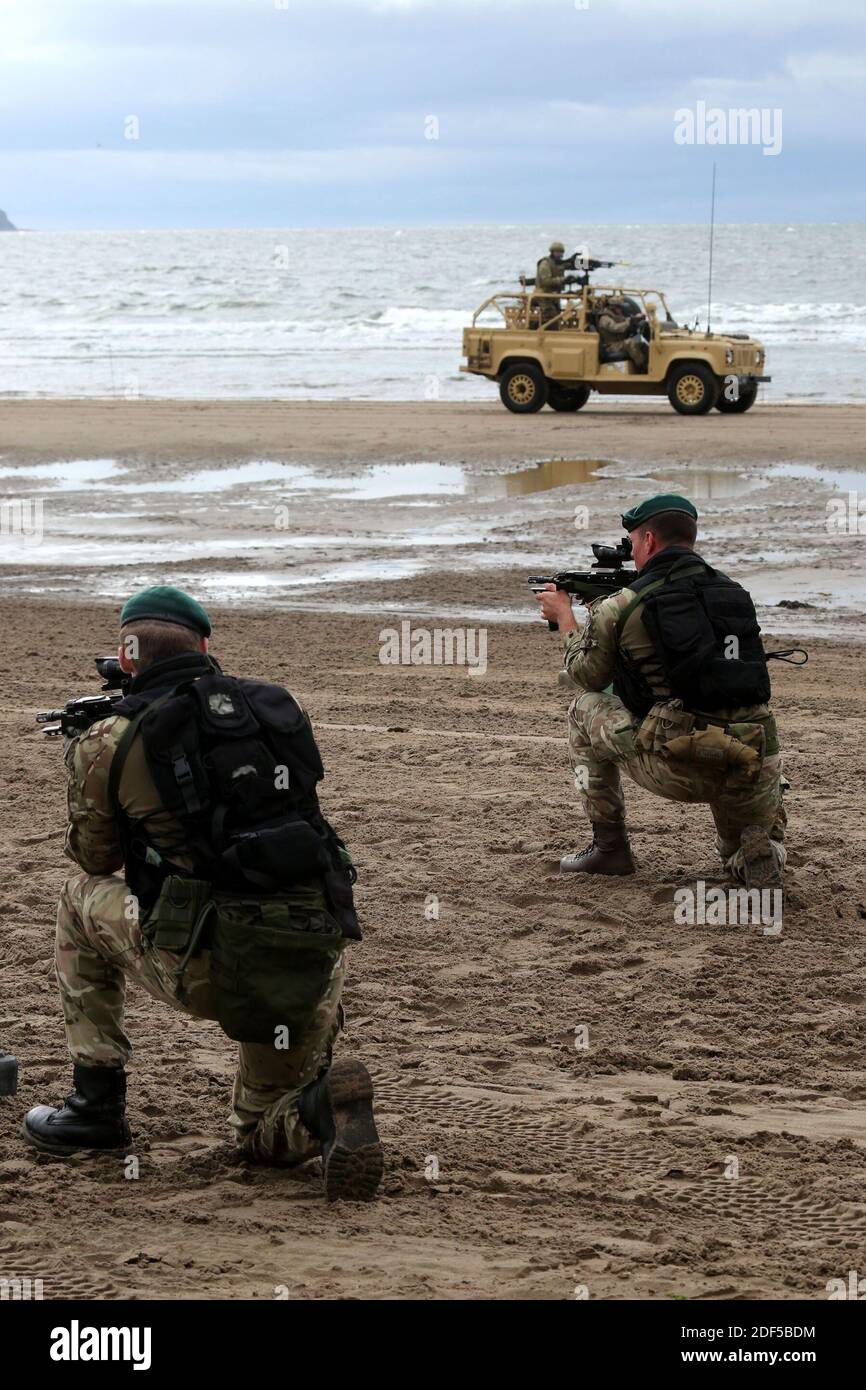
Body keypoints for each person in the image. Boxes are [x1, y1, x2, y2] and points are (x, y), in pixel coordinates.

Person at [24, 585, 383, 1203]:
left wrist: (86, 758)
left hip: (211, 959)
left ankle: (95, 1104)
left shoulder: (109, 737)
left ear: (127, 656)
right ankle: (321, 1107)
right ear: (206, 646)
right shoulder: (274, 709)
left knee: (78, 897)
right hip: (309, 949)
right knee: (258, 1134)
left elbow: (95, 856)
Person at [533, 496, 786, 889]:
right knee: (738, 852)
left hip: (683, 763)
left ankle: (610, 849)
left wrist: (566, 620)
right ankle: (761, 851)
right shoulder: (734, 592)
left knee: (583, 707)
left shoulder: (621, 605)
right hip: (752, 757)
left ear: (649, 540)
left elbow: (587, 676)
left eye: (632, 542)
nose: (630, 553)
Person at [595, 295, 648, 371]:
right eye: (620, 307)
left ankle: (649, 362)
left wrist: (635, 318)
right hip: (611, 346)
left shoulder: (615, 315)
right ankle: (642, 368)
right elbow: (616, 328)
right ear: (614, 308)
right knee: (630, 343)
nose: (621, 310)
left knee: (640, 342)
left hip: (619, 343)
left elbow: (625, 320)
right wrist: (629, 322)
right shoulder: (605, 318)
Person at [534, 240, 574, 328]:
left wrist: (588, 263)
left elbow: (572, 265)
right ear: (552, 252)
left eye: (561, 252)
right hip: (543, 296)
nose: (559, 254)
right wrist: (564, 280)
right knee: (552, 319)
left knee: (555, 318)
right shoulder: (545, 264)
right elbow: (546, 281)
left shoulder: (558, 263)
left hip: (553, 297)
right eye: (557, 252)